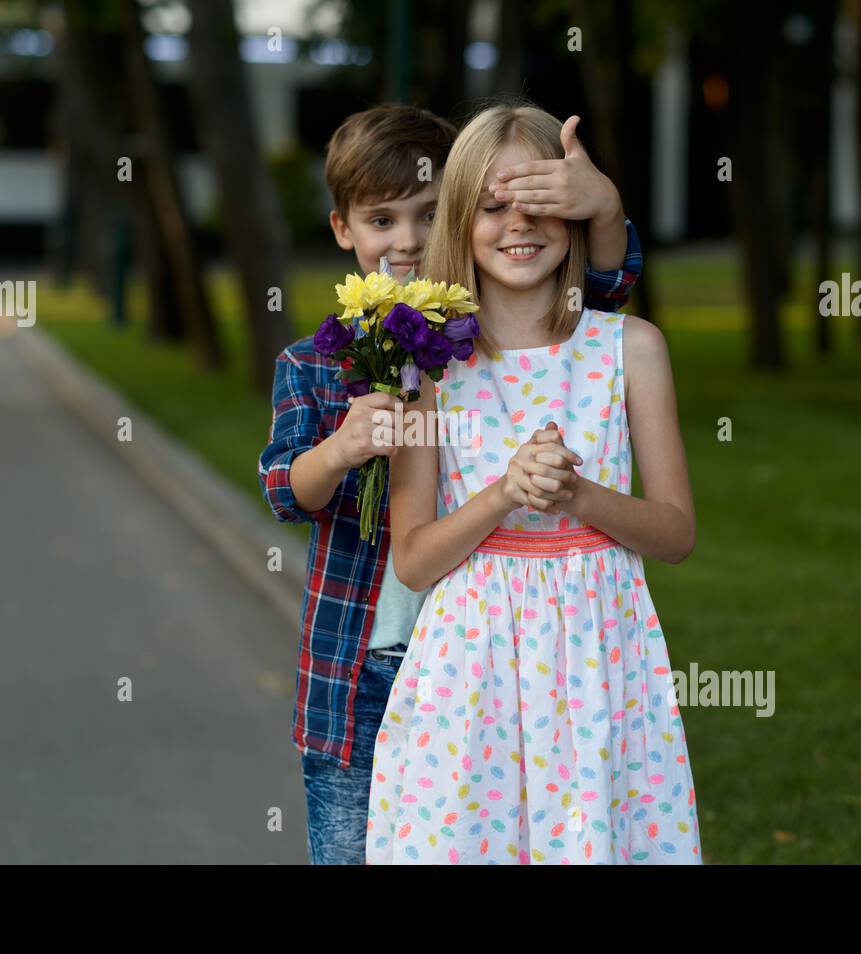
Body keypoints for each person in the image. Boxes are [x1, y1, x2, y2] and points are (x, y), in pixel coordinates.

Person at [258, 102, 644, 864]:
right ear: (343, 230)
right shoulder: (315, 361)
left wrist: (604, 207)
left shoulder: (476, 341)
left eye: (429, 216)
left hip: (475, 663)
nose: (405, 242)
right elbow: (283, 487)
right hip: (359, 665)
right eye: (381, 220)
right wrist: (342, 450)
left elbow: (599, 293)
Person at [366, 101, 701, 864]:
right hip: (469, 672)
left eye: (539, 202)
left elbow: (677, 533)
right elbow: (414, 561)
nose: (517, 224)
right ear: (460, 219)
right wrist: (503, 494)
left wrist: (579, 498)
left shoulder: (632, 350)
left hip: (599, 665)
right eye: (492, 207)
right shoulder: (428, 370)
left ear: (574, 209)